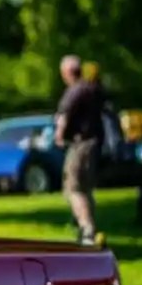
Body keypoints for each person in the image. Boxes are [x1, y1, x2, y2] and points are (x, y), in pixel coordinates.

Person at [54, 54, 105, 245]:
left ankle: (87, 229)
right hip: (93, 143)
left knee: (74, 188)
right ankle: (90, 227)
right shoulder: (92, 89)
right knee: (86, 188)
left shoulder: (75, 90)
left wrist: (59, 136)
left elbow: (64, 115)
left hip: (80, 144)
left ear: (66, 72)